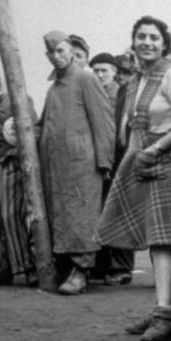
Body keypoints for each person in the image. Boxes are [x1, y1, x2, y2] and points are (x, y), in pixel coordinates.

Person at [97, 16, 171, 341]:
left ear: (164, 42)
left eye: (154, 37)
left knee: (161, 238)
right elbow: (132, 126)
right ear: (134, 40)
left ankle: (166, 315)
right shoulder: (137, 79)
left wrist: (154, 149)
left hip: (165, 161)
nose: (147, 42)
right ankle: (162, 306)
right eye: (141, 36)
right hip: (141, 162)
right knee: (154, 240)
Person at [38, 31, 115, 294]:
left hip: (83, 164)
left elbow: (103, 122)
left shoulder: (85, 78)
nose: (56, 57)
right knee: (61, 216)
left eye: (61, 51)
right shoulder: (52, 88)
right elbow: (45, 124)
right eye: (51, 53)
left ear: (71, 50)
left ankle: (81, 271)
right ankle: (64, 268)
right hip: (55, 166)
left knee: (82, 216)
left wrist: (104, 162)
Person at [0, 62, 36, 286]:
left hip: (10, 163)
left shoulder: (16, 99)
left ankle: (26, 265)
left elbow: (33, 128)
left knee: (11, 214)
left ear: (0, 80)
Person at [89, 52, 135, 287]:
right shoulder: (94, 93)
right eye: (95, 70)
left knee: (120, 210)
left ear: (114, 72)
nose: (100, 75)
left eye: (104, 70)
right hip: (101, 159)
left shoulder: (123, 93)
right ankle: (102, 265)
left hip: (121, 156)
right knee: (101, 211)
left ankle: (122, 267)